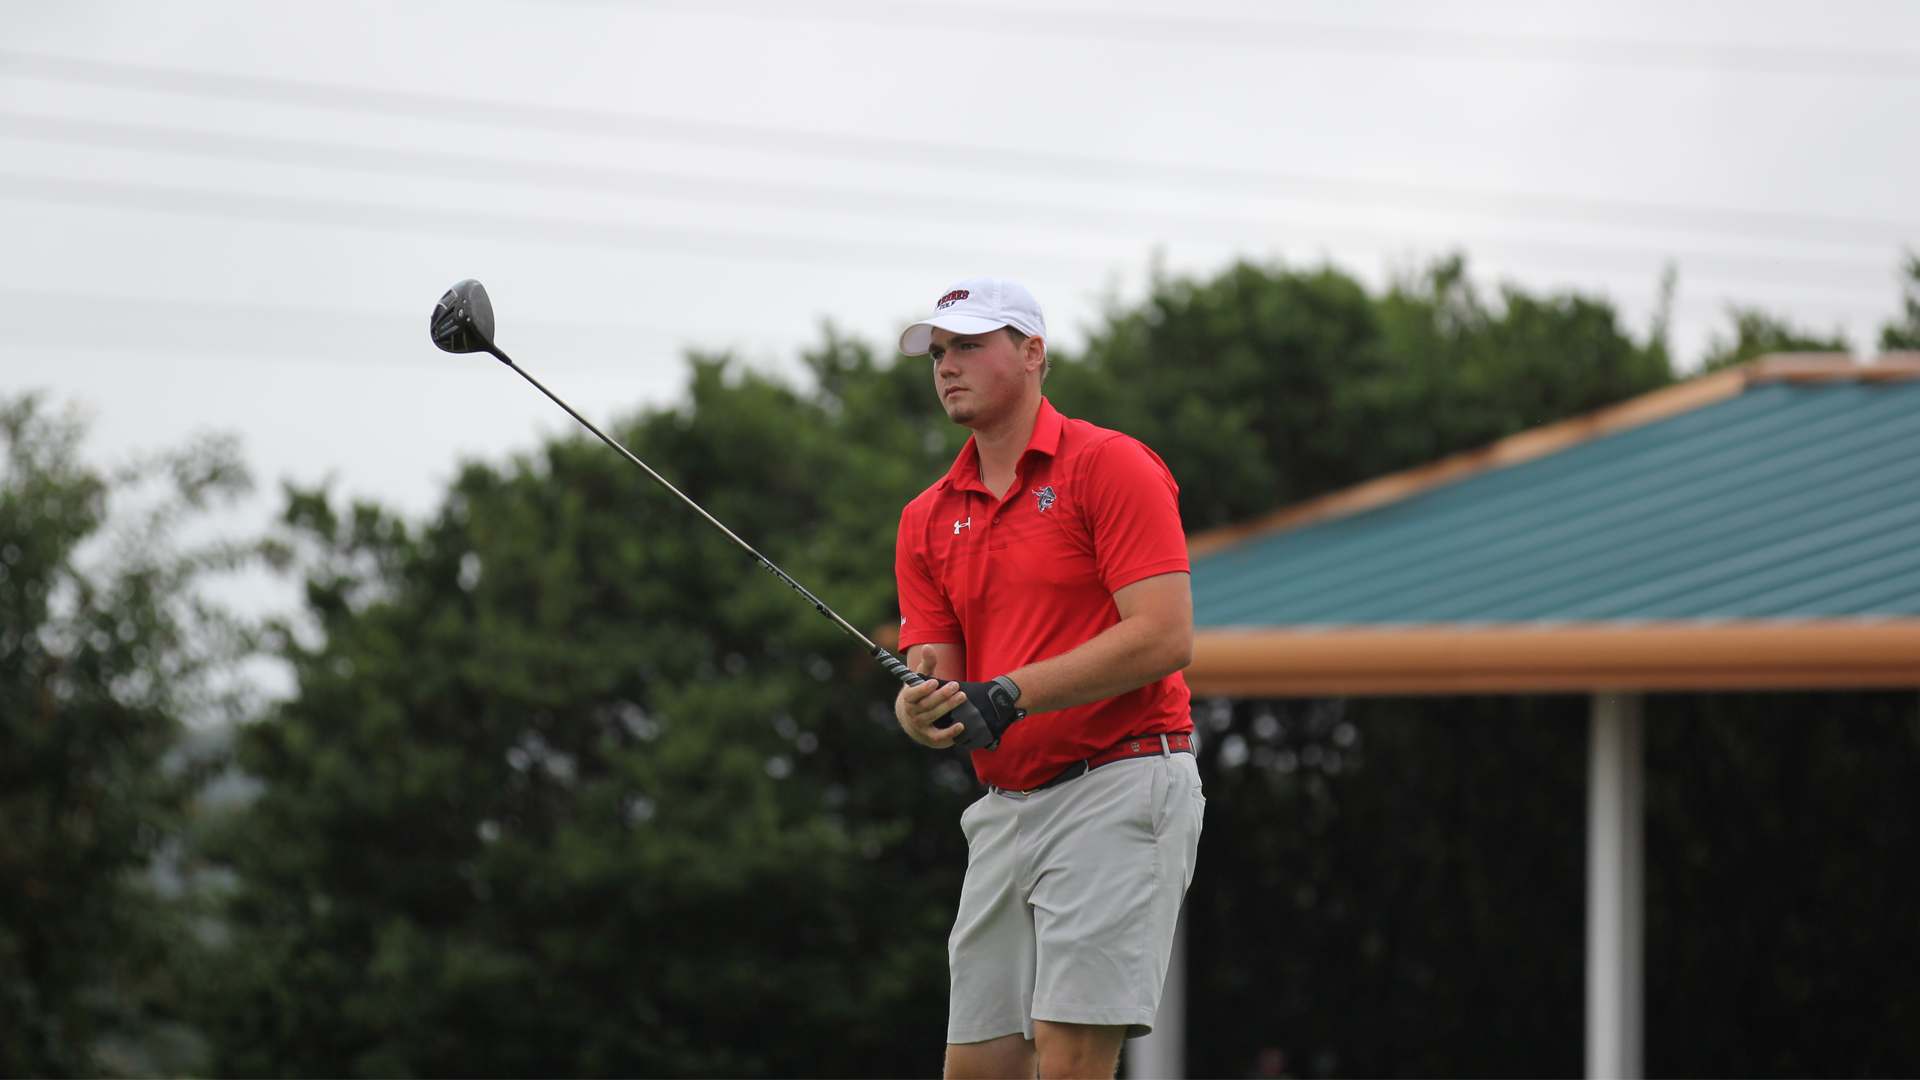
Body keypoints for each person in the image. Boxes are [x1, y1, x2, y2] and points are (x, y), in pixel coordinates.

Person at [891, 277, 1204, 1080]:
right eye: (937, 351)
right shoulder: (927, 516)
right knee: (979, 1068)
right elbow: (944, 676)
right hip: (1006, 807)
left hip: (1121, 777)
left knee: (1068, 1061)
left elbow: (1165, 636)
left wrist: (1012, 695)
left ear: (1032, 353)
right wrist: (920, 705)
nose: (946, 366)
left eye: (967, 345)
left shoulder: (1110, 466)